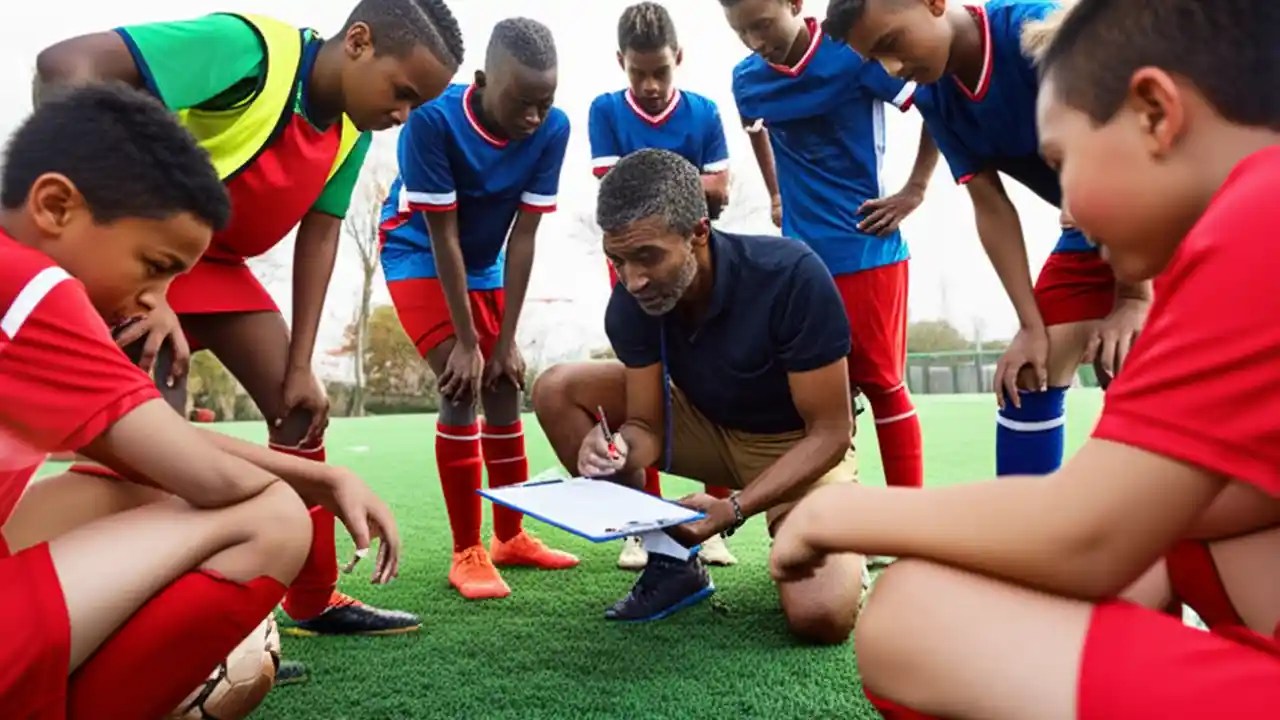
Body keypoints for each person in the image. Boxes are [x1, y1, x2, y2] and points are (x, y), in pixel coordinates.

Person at [771, 1, 1280, 717]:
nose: (1062, 201)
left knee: (910, 614)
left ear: (1155, 114)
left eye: (1059, 162)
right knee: (1177, 526)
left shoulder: (1256, 222)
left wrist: (837, 516)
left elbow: (1087, 534)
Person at [33, 0, 464, 636]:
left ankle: (314, 600)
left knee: (300, 411)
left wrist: (301, 366)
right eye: (402, 93)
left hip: (219, 268)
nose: (403, 117)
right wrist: (139, 283)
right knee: (156, 455)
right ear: (360, 42)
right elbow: (63, 65)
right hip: (138, 264)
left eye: (415, 106)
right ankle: (120, 627)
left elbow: (319, 236)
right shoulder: (249, 51)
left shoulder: (352, 129)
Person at [0, 83, 401, 719]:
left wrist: (323, 475)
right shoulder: (32, 290)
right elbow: (201, 474)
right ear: (55, 205)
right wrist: (309, 486)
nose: (156, 300)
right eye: (153, 266)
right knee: (274, 517)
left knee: (130, 485)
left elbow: (150, 447)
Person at [532, 149, 862, 641]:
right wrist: (614, 450)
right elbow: (646, 427)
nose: (632, 280)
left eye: (647, 256)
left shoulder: (791, 276)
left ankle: (845, 538)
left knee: (821, 618)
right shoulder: (631, 301)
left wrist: (731, 508)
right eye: (617, 260)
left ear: (699, 234)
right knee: (557, 389)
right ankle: (670, 563)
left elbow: (832, 432)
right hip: (704, 423)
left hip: (797, 448)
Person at [823, 0, 1153, 478]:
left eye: (890, 43)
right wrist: (1029, 325)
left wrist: (1134, 295)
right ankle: (1028, 538)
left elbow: (1135, 132)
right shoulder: (937, 99)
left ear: (934, 4)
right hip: (1094, 231)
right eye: (874, 60)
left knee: (1137, 356)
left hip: (1167, 212)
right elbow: (992, 208)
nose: (890, 68)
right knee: (1027, 375)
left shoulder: (1031, 28)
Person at [379, 17, 578, 601]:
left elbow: (524, 237)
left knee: (501, 383)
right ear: (484, 80)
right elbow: (443, 236)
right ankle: (466, 549)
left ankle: (509, 537)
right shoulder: (433, 122)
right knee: (460, 383)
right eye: (522, 102)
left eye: (545, 103)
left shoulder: (552, 129)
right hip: (419, 249)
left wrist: (504, 340)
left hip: (488, 257)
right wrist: (467, 341)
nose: (534, 118)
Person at [721, 0, 937, 491]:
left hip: (867, 252)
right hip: (799, 266)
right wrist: (776, 193)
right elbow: (756, 129)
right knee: (818, 401)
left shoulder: (852, 53)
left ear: (795, 4)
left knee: (884, 387)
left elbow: (938, 100)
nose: (756, 42)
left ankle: (911, 529)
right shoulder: (747, 79)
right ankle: (842, 526)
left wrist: (915, 190)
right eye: (742, 32)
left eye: (763, 26)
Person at [588, 1, 738, 571]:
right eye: (638, 73)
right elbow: (619, 195)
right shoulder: (605, 110)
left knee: (707, 382)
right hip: (636, 277)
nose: (650, 85)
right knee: (641, 395)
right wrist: (687, 184)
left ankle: (714, 519)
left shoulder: (703, 111)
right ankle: (639, 524)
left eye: (661, 72)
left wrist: (666, 185)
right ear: (620, 63)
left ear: (679, 59)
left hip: (697, 274)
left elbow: (721, 189)